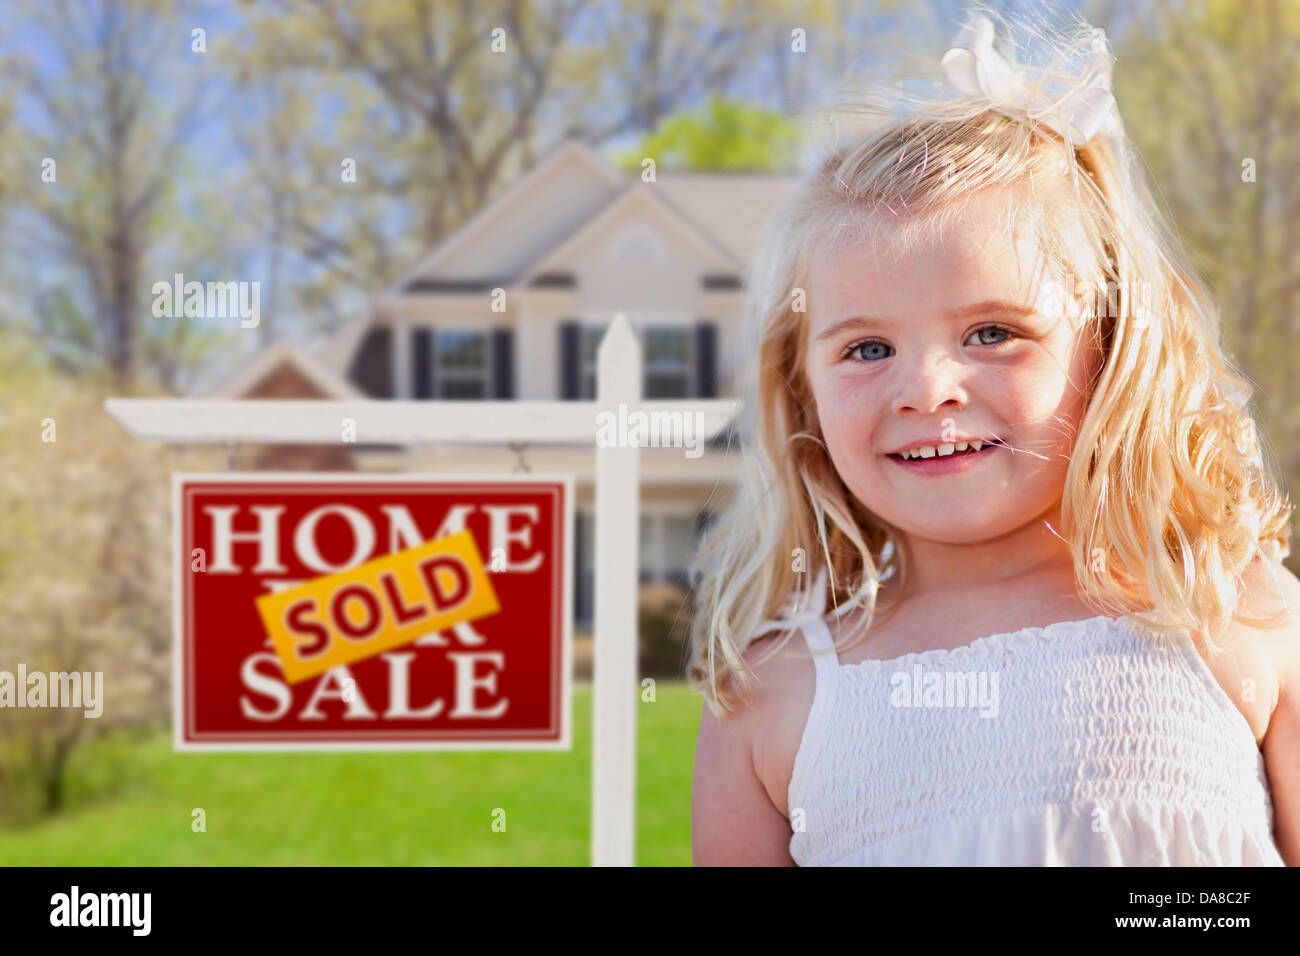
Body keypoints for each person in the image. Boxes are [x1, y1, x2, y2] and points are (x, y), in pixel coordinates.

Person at [688, 9, 1299, 866]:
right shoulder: (771, 695)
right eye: (868, 348)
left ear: (1112, 349)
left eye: (992, 333)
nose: (929, 391)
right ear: (803, 391)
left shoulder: (1236, 614)